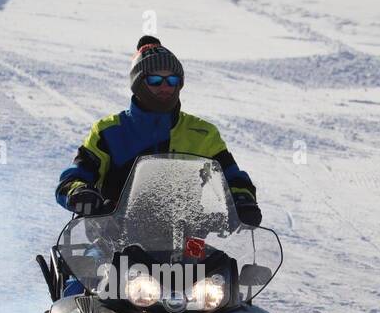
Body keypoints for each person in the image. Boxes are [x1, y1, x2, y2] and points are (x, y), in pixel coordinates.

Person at [55, 36, 262, 225]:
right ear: (138, 83)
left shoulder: (202, 134)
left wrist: (242, 199)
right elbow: (73, 177)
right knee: (82, 265)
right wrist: (79, 192)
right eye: (155, 80)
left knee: (230, 266)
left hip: (186, 244)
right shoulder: (109, 132)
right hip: (111, 243)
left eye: (172, 80)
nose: (165, 87)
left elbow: (233, 177)